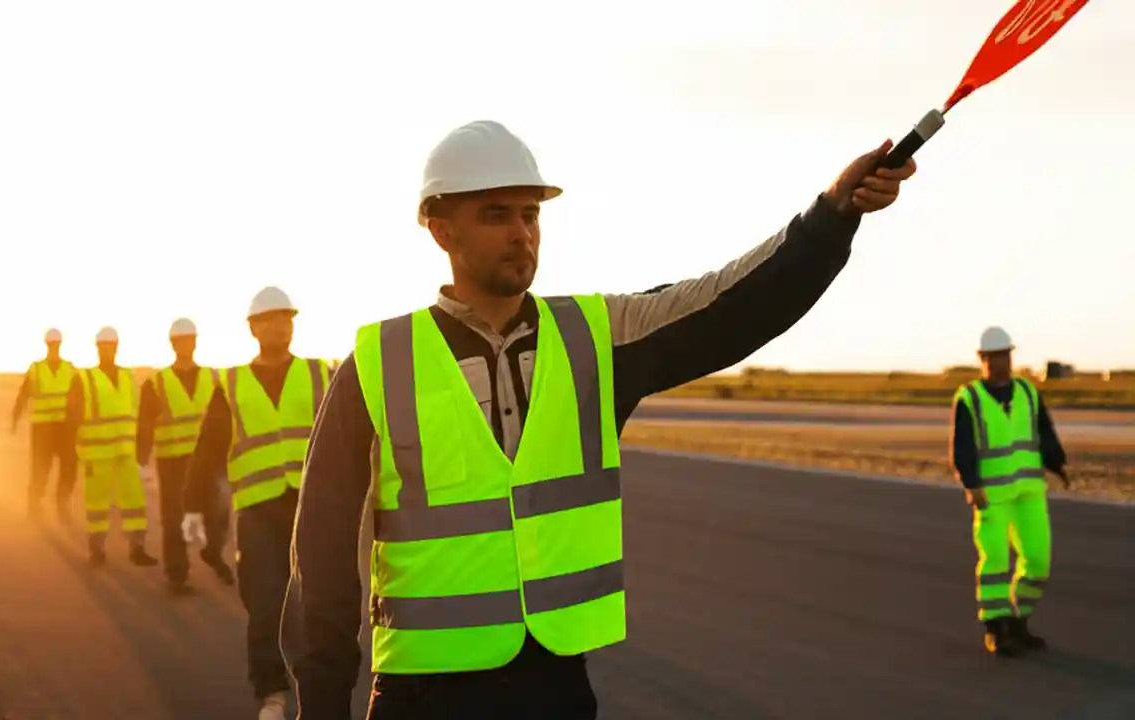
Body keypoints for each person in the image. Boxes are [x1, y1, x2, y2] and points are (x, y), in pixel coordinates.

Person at [289, 119, 917, 719]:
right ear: (441, 230)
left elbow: (733, 303)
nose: (521, 234)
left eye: (530, 214)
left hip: (555, 688)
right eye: (495, 215)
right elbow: (319, 554)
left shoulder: (598, 338)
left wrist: (832, 216)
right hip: (423, 696)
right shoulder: (376, 362)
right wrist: (321, 703)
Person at [181, 286, 331, 720]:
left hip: (313, 508)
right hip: (259, 510)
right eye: (269, 319)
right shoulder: (231, 383)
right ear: (253, 328)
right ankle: (271, 694)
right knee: (265, 603)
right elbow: (208, 449)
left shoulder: (322, 373)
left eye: (286, 317)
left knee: (319, 605)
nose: (279, 325)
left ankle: (320, 689)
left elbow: (351, 438)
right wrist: (192, 507)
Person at [950, 326, 1070, 656]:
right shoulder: (970, 398)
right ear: (983, 359)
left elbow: (1044, 431)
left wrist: (1057, 462)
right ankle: (995, 627)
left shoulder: (1028, 393)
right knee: (996, 561)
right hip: (991, 495)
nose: (1002, 361)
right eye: (994, 356)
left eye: (1006, 355)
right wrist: (971, 483)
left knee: (1038, 560)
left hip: (1029, 490)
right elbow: (962, 445)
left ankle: (1019, 620)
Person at [136, 317, 234, 593]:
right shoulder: (157, 382)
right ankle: (177, 574)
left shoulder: (214, 378)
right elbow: (144, 423)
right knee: (174, 517)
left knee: (218, 511)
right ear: (173, 344)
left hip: (210, 459)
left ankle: (212, 551)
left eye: (190, 340)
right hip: (172, 460)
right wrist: (141, 460)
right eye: (181, 341)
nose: (186, 345)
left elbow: (227, 418)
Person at [65, 326, 158, 567]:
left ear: (116, 348)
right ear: (97, 349)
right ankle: (97, 549)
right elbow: (72, 414)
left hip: (126, 453)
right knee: (97, 504)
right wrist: (70, 448)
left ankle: (137, 548)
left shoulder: (129, 378)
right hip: (97, 454)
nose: (108, 350)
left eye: (111, 346)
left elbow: (138, 415)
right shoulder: (83, 379)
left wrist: (143, 446)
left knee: (135, 501)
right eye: (103, 346)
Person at [10, 327, 77, 523]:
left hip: (64, 428)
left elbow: (78, 398)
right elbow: (23, 395)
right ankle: (34, 505)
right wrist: (15, 418)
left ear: (60, 345)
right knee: (40, 469)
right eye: (51, 344)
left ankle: (62, 504)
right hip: (42, 429)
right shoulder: (36, 369)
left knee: (69, 468)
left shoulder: (70, 369)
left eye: (56, 344)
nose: (54, 347)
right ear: (47, 345)